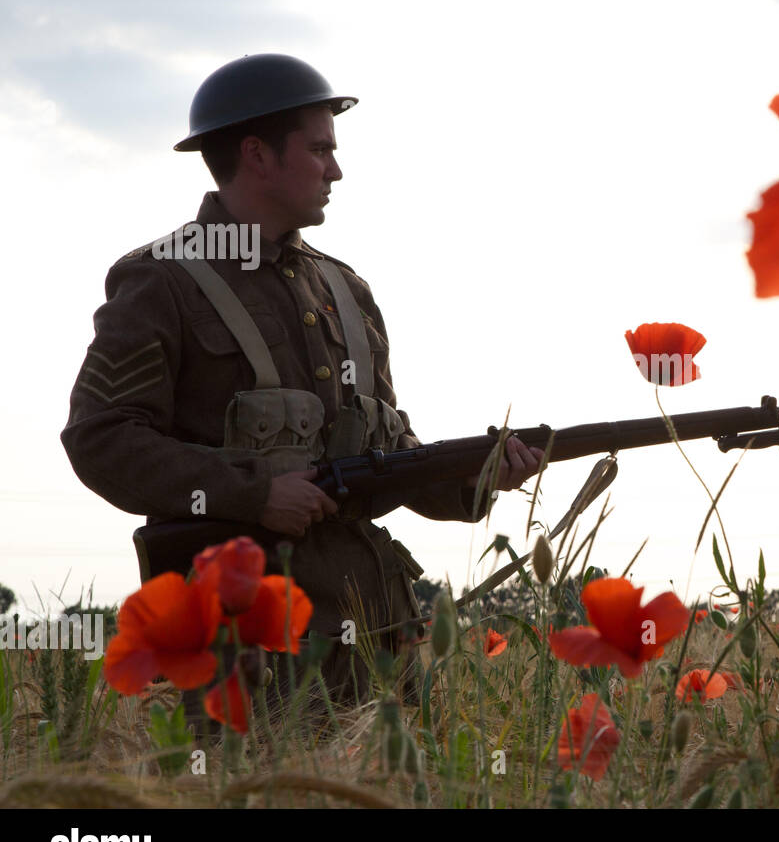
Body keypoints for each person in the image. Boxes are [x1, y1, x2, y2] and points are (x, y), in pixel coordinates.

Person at [61, 54, 544, 727]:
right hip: (247, 649)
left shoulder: (348, 292)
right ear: (256, 154)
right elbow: (102, 438)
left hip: (378, 633)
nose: (336, 170)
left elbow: (388, 455)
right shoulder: (161, 282)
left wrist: (481, 477)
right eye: (320, 150)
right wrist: (253, 493)